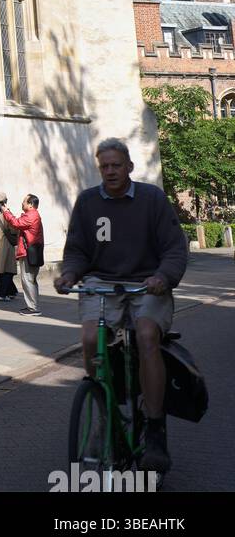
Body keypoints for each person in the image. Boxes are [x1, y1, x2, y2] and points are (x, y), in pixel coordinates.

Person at [54, 138, 189, 475]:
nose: (110, 171)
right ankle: (105, 409)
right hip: (102, 283)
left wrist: (163, 276)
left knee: (146, 336)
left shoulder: (152, 200)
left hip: (146, 283)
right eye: (104, 166)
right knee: (89, 338)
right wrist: (70, 273)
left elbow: (174, 248)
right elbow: (77, 249)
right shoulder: (87, 202)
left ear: (129, 166)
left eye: (116, 165)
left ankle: (155, 428)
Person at [1, 194, 44, 315]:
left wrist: (6, 212)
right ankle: (31, 306)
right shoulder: (32, 215)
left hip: (28, 253)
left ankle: (33, 308)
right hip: (30, 252)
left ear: (30, 204)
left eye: (24, 202)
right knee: (30, 280)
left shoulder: (31, 215)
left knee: (28, 280)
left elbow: (15, 223)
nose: (22, 203)